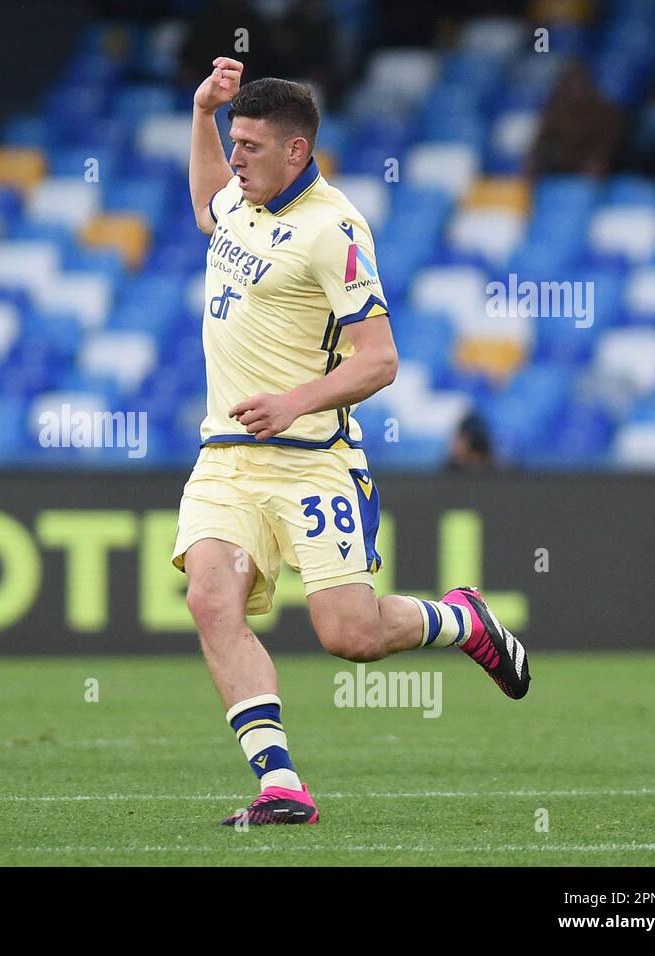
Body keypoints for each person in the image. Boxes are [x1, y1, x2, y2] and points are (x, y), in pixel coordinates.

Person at [179, 59, 529, 827]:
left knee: (352, 636)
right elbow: (207, 204)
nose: (235, 159)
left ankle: (462, 620)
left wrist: (294, 402)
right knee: (210, 598)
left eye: (249, 146)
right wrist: (201, 114)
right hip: (226, 459)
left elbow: (381, 358)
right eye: (232, 142)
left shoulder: (333, 230)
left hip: (311, 463)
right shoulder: (242, 197)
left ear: (297, 152)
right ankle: (281, 786)